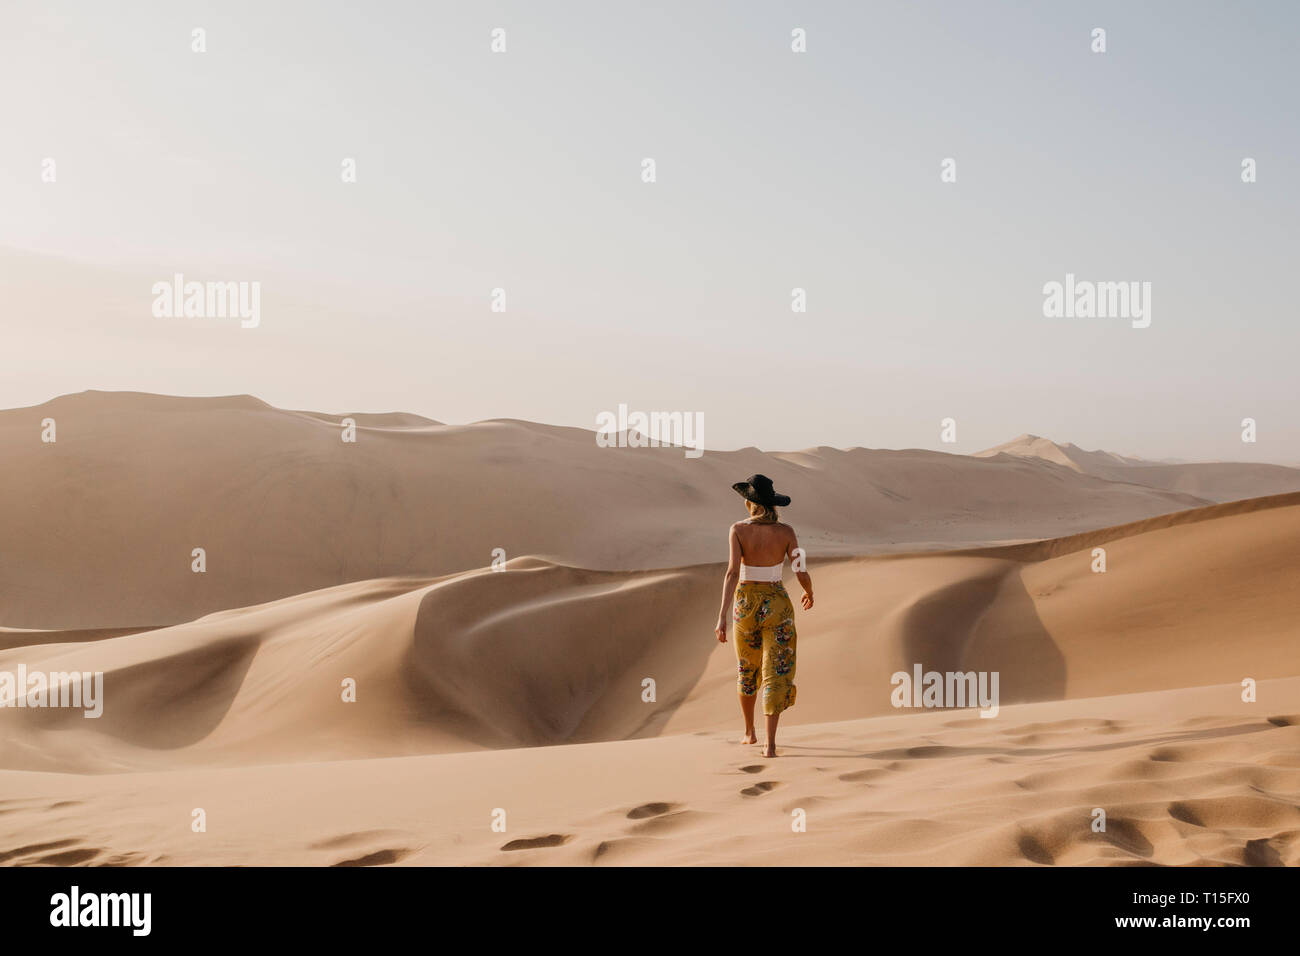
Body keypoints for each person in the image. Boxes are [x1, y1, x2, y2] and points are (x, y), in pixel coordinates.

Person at [714, 474, 813, 757]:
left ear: (749, 503)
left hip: (744, 604)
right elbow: (800, 569)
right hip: (777, 604)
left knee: (747, 669)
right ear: (772, 504)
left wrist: (721, 616)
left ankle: (749, 733)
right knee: (776, 671)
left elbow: (732, 572)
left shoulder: (737, 530)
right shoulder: (787, 532)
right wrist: (809, 591)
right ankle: (770, 745)